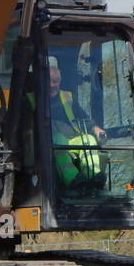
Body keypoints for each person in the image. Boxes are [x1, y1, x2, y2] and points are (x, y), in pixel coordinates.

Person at [33, 56, 107, 191]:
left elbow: (83, 118)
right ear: (41, 82)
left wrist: (96, 128)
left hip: (71, 140)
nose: (52, 85)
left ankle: (93, 177)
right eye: (48, 81)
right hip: (47, 143)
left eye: (55, 81)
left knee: (88, 139)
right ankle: (74, 180)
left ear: (60, 82)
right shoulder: (32, 99)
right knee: (57, 138)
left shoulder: (68, 97)